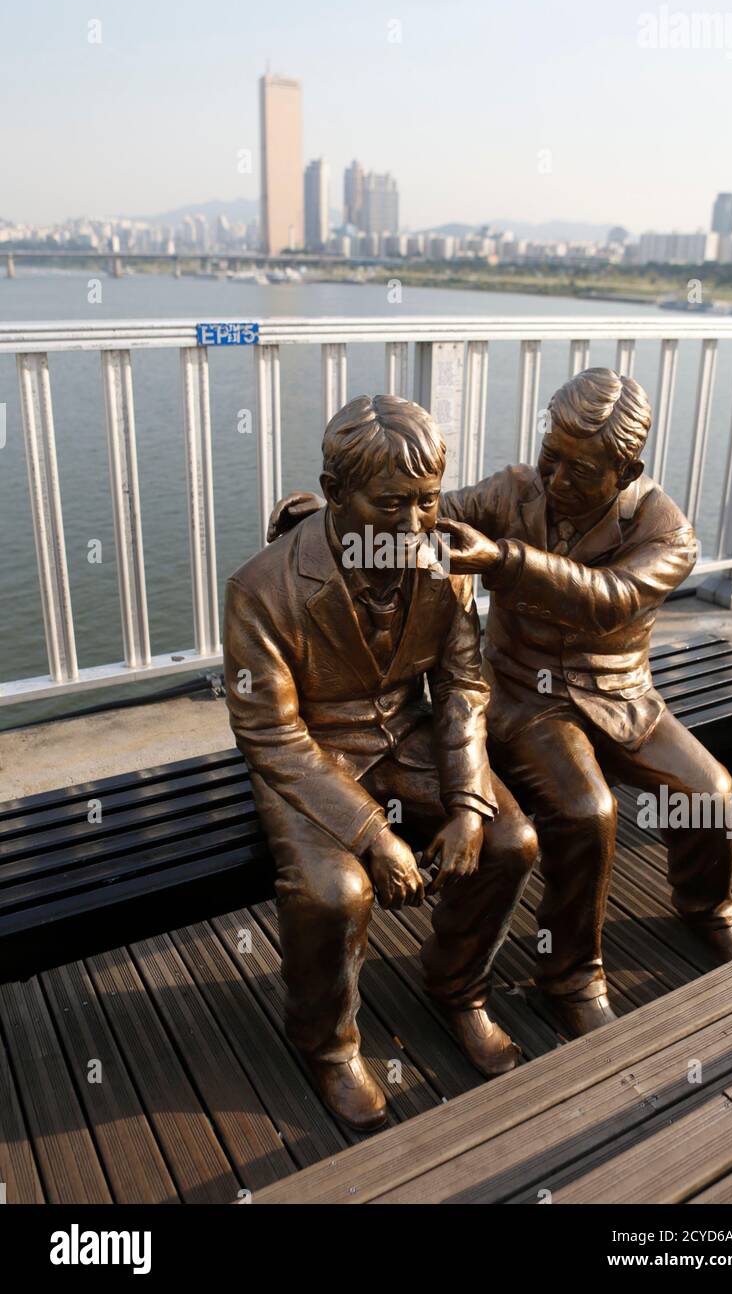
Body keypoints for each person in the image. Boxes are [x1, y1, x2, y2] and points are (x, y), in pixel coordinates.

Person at [270, 369, 732, 1039]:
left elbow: (607, 598)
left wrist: (503, 561)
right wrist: (321, 520)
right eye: (552, 455)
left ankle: (709, 910)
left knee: (712, 790)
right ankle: (572, 974)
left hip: (622, 695)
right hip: (524, 696)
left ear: (626, 469)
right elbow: (426, 509)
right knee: (587, 811)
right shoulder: (514, 488)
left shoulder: (666, 531)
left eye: (580, 472)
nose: (555, 480)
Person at [224, 394, 537, 1132]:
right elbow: (268, 733)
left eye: (428, 501)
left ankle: (457, 986)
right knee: (337, 895)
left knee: (508, 840)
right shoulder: (261, 589)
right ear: (336, 494)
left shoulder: (442, 560)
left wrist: (466, 803)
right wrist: (374, 835)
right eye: (392, 504)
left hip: (411, 735)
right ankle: (327, 1044)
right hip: (310, 755)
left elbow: (462, 684)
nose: (415, 524)